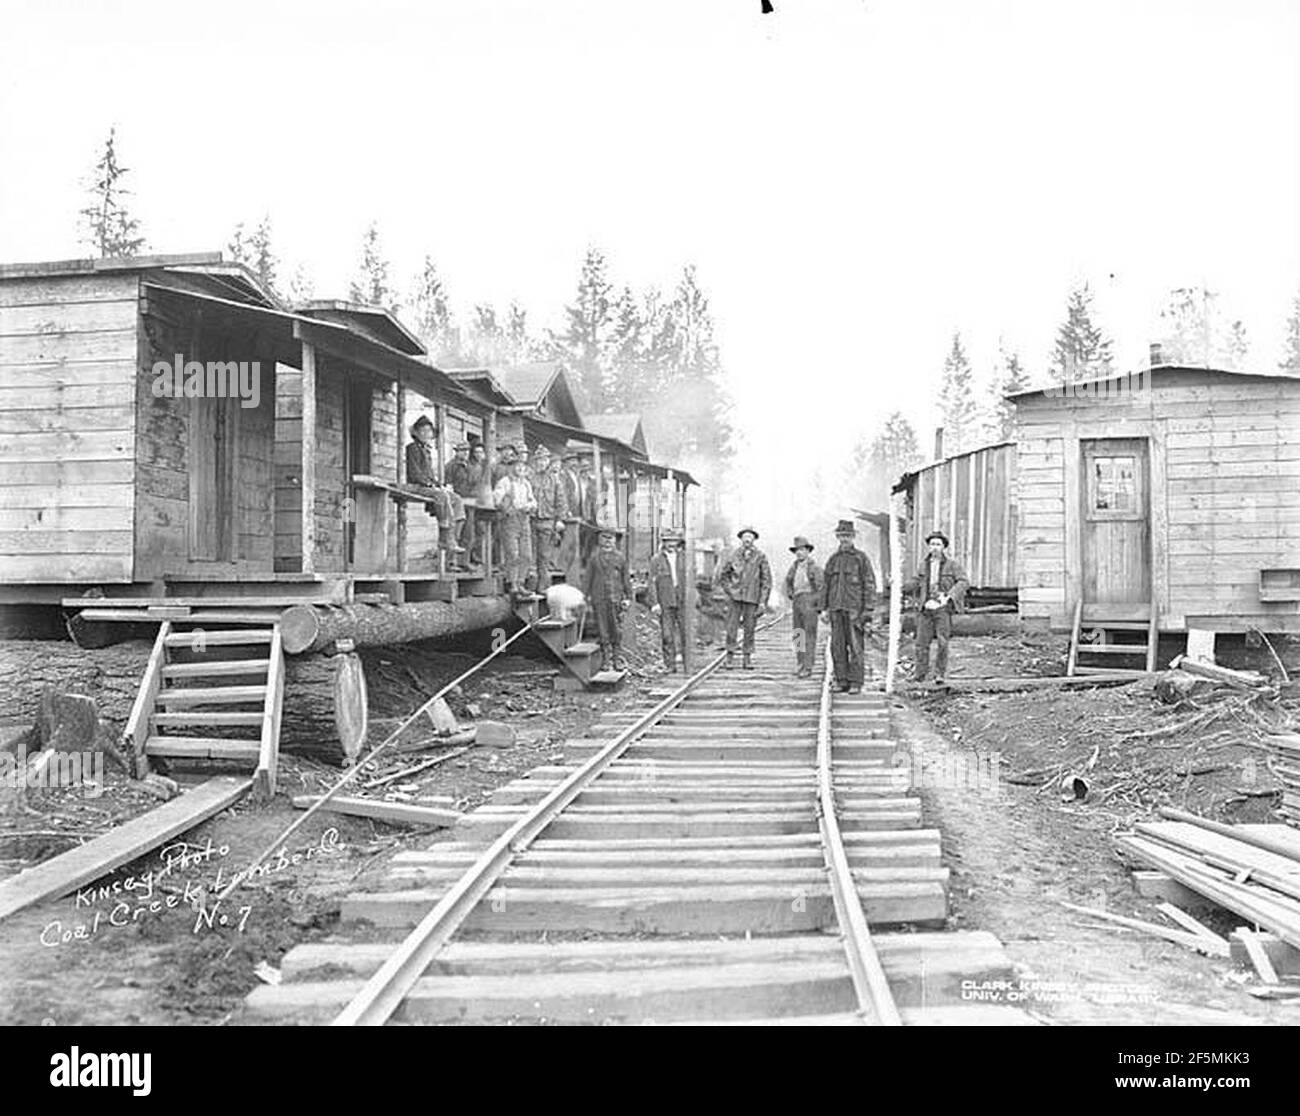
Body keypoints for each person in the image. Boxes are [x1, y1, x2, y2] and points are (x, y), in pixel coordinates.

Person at [903, 530, 969, 687]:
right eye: (932, 544)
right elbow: (915, 582)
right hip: (925, 608)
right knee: (921, 643)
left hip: (942, 608)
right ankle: (920, 674)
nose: (935, 547)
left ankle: (939, 674)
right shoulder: (923, 565)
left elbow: (963, 582)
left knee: (942, 642)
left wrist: (948, 596)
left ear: (943, 546)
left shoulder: (952, 565)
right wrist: (898, 585)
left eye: (938, 544)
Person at [819, 519, 876, 694]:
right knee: (837, 646)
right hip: (836, 608)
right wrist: (823, 608)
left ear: (853, 537)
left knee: (856, 647)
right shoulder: (833, 560)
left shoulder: (861, 558)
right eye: (841, 535)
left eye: (848, 536)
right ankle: (840, 680)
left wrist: (868, 610)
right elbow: (825, 585)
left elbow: (869, 584)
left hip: (854, 610)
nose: (844, 539)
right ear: (837, 537)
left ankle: (856, 682)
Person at [405, 416, 465, 567]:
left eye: (429, 431)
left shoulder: (427, 451)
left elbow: (430, 474)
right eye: (423, 431)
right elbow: (414, 473)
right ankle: (446, 539)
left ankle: (450, 538)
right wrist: (431, 485)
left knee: (456, 499)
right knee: (441, 495)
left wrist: (439, 484)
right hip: (416, 486)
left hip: (428, 486)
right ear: (416, 433)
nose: (426, 434)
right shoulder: (412, 448)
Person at [714, 527, 771, 669]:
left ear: (754, 539)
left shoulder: (760, 557)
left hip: (752, 598)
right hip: (735, 598)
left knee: (750, 628)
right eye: (745, 536)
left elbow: (766, 581)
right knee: (731, 627)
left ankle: (747, 658)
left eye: (750, 537)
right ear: (741, 539)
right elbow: (723, 575)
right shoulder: (734, 555)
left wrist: (763, 601)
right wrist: (730, 590)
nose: (747, 539)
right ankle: (730, 657)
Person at [582, 527, 633, 673]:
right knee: (602, 630)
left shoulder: (620, 558)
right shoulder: (594, 558)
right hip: (599, 599)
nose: (607, 541)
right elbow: (587, 579)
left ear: (615, 541)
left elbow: (626, 579)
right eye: (604, 538)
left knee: (616, 629)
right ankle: (606, 660)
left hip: (616, 599)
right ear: (599, 540)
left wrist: (628, 597)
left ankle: (617, 659)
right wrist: (583, 597)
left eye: (610, 538)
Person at [493, 455, 537, 596]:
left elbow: (533, 501)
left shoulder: (526, 484)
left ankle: (521, 582)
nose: (520, 469)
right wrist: (506, 505)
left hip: (524, 520)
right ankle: (512, 584)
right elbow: (496, 499)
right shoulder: (505, 482)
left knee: (527, 555)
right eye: (517, 466)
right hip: (510, 520)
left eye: (523, 467)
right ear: (511, 468)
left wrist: (529, 506)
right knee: (512, 553)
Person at [647, 529, 687, 673]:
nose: (671, 544)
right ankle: (670, 665)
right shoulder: (656, 560)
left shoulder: (684, 558)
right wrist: (654, 603)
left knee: (685, 633)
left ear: (678, 543)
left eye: (673, 541)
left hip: (683, 600)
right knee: (667, 635)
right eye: (668, 541)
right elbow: (651, 582)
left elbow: (691, 579)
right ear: (663, 543)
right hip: (665, 600)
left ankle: (688, 664)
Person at [784, 536, 823, 679]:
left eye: (802, 550)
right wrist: (790, 594)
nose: (799, 553)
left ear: (808, 551)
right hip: (797, 601)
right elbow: (788, 582)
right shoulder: (794, 567)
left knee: (809, 635)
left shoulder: (814, 567)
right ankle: (799, 663)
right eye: (797, 550)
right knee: (798, 634)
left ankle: (808, 666)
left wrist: (818, 605)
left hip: (810, 601)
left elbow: (820, 587)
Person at [533, 449, 569, 590]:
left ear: (548, 462)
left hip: (547, 521)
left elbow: (561, 501)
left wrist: (560, 519)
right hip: (530, 520)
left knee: (543, 555)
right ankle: (529, 584)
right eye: (538, 460)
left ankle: (542, 586)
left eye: (543, 460)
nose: (541, 463)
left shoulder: (554, 480)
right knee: (529, 555)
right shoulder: (530, 477)